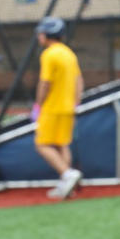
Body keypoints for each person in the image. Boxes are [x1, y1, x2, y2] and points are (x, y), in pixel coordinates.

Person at [32, 16, 84, 200]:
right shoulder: (69, 53)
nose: (39, 36)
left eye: (41, 33)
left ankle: (67, 174)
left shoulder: (49, 54)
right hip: (68, 108)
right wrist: (75, 102)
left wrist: (38, 105)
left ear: (48, 34)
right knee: (62, 144)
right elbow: (79, 80)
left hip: (52, 108)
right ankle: (66, 186)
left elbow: (45, 83)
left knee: (42, 145)